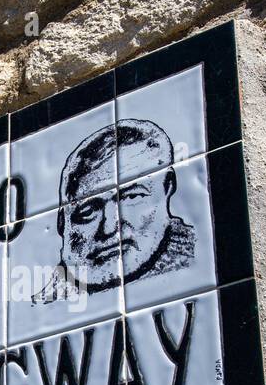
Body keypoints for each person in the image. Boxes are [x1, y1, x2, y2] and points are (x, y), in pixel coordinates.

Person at [35, 119, 194, 303]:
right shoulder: (39, 308)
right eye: (88, 212)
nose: (109, 228)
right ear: (62, 223)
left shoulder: (207, 260)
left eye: (131, 197)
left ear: (167, 187)